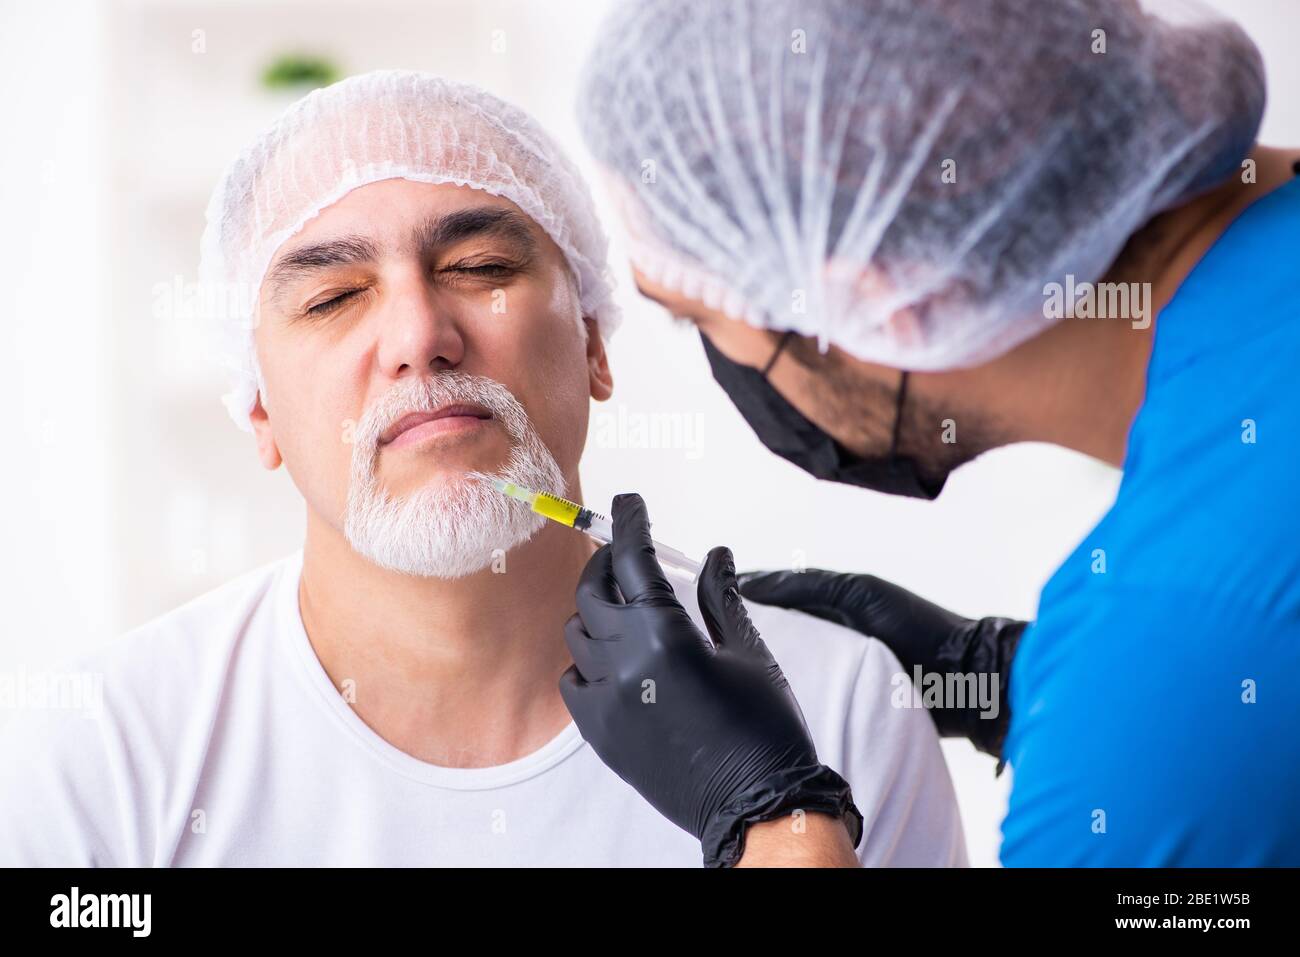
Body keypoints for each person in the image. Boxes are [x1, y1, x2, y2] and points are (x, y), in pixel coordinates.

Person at [0, 71, 968, 869]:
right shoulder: (110, 756)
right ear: (257, 409)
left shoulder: (830, 717)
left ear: (594, 342)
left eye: (479, 268)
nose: (419, 337)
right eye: (335, 295)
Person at [570, 0, 1300, 864]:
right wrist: (1020, 679)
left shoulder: (1159, 669)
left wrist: (772, 820)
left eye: (695, 314)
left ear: (887, 297)